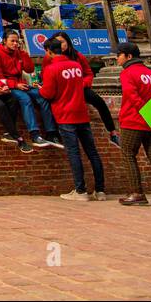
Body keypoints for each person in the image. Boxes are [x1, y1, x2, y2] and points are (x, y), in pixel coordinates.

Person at [39, 36, 107, 201]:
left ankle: (81, 190)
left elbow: (48, 93)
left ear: (49, 52)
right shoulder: (75, 66)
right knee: (92, 152)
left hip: (65, 114)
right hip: (81, 112)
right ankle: (100, 190)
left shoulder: (51, 69)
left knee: (74, 153)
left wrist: (40, 89)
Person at [114, 42, 151, 207]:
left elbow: (133, 97)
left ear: (128, 56)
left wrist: (149, 117)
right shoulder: (150, 73)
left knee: (128, 155)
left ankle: (137, 193)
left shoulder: (128, 73)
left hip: (133, 120)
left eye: (119, 55)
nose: (117, 59)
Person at [42, 30, 119, 147]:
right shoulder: (49, 58)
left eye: (62, 42)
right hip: (61, 90)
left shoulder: (77, 56)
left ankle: (112, 132)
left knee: (98, 101)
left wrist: (82, 83)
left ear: (68, 42)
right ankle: (53, 134)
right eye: (58, 42)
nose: (61, 45)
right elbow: (45, 75)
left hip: (80, 88)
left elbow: (88, 73)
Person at [0, 30, 61, 148]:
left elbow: (29, 69)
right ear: (4, 41)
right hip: (9, 86)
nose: (15, 44)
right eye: (12, 41)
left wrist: (23, 54)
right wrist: (15, 85)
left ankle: (51, 132)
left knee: (42, 95)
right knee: (25, 98)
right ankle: (35, 134)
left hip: (21, 84)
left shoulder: (19, 53)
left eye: (17, 41)